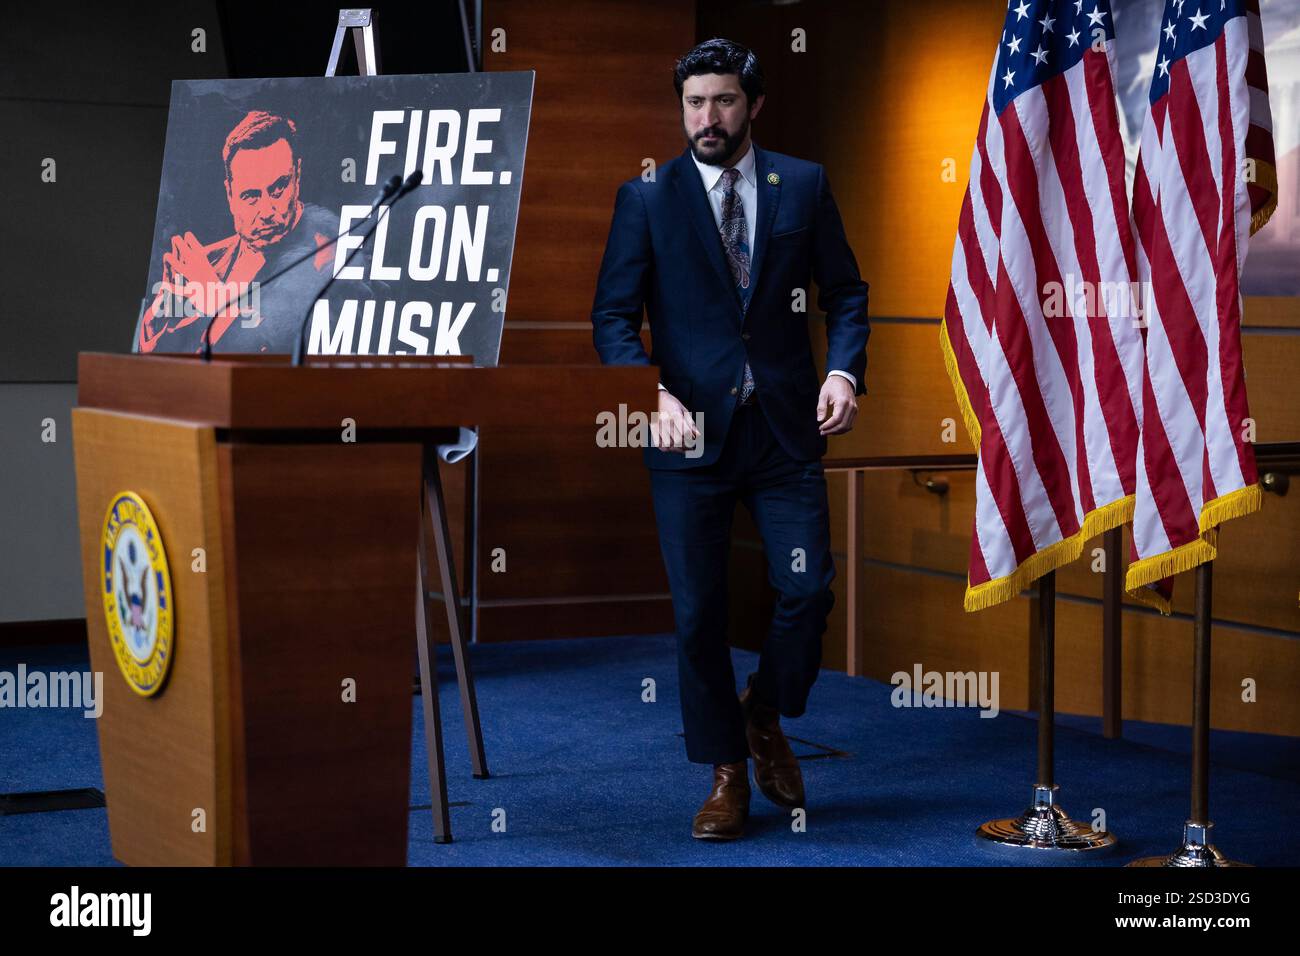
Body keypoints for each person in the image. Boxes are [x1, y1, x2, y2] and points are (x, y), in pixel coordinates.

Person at [590, 38, 870, 839]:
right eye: (692, 102)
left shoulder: (803, 186)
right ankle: (725, 772)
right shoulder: (646, 197)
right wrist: (649, 391)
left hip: (784, 433)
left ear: (754, 106)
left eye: (721, 101)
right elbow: (612, 317)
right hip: (687, 443)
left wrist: (844, 374)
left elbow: (847, 294)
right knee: (697, 617)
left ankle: (765, 709)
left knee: (807, 589)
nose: (705, 118)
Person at [136, 110, 345, 354]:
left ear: (297, 176)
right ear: (230, 194)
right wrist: (156, 326)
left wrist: (217, 302)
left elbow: (294, 347)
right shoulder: (210, 260)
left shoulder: (330, 252)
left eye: (278, 188)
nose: (267, 210)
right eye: (251, 196)